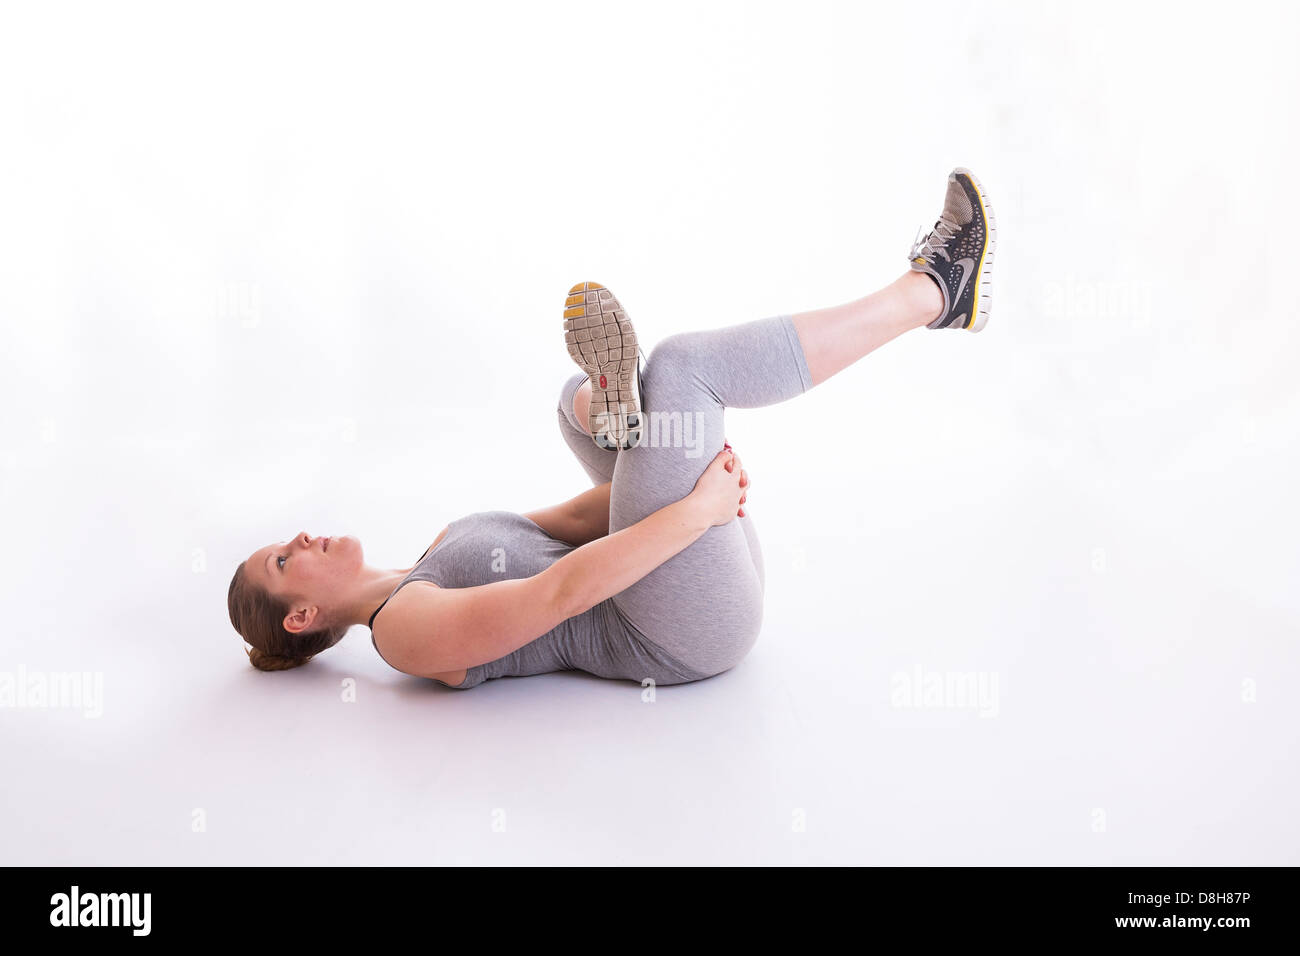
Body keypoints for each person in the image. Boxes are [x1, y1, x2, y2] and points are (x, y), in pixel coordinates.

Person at [227, 167, 996, 689]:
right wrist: (695, 509)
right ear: (302, 617)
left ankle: (619, 417)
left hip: (677, 568)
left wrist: (668, 463)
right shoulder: (403, 633)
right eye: (284, 561)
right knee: (683, 367)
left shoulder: (432, 554)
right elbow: (562, 593)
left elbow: (579, 521)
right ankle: (936, 292)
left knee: (573, 401)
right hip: (677, 632)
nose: (299, 539)